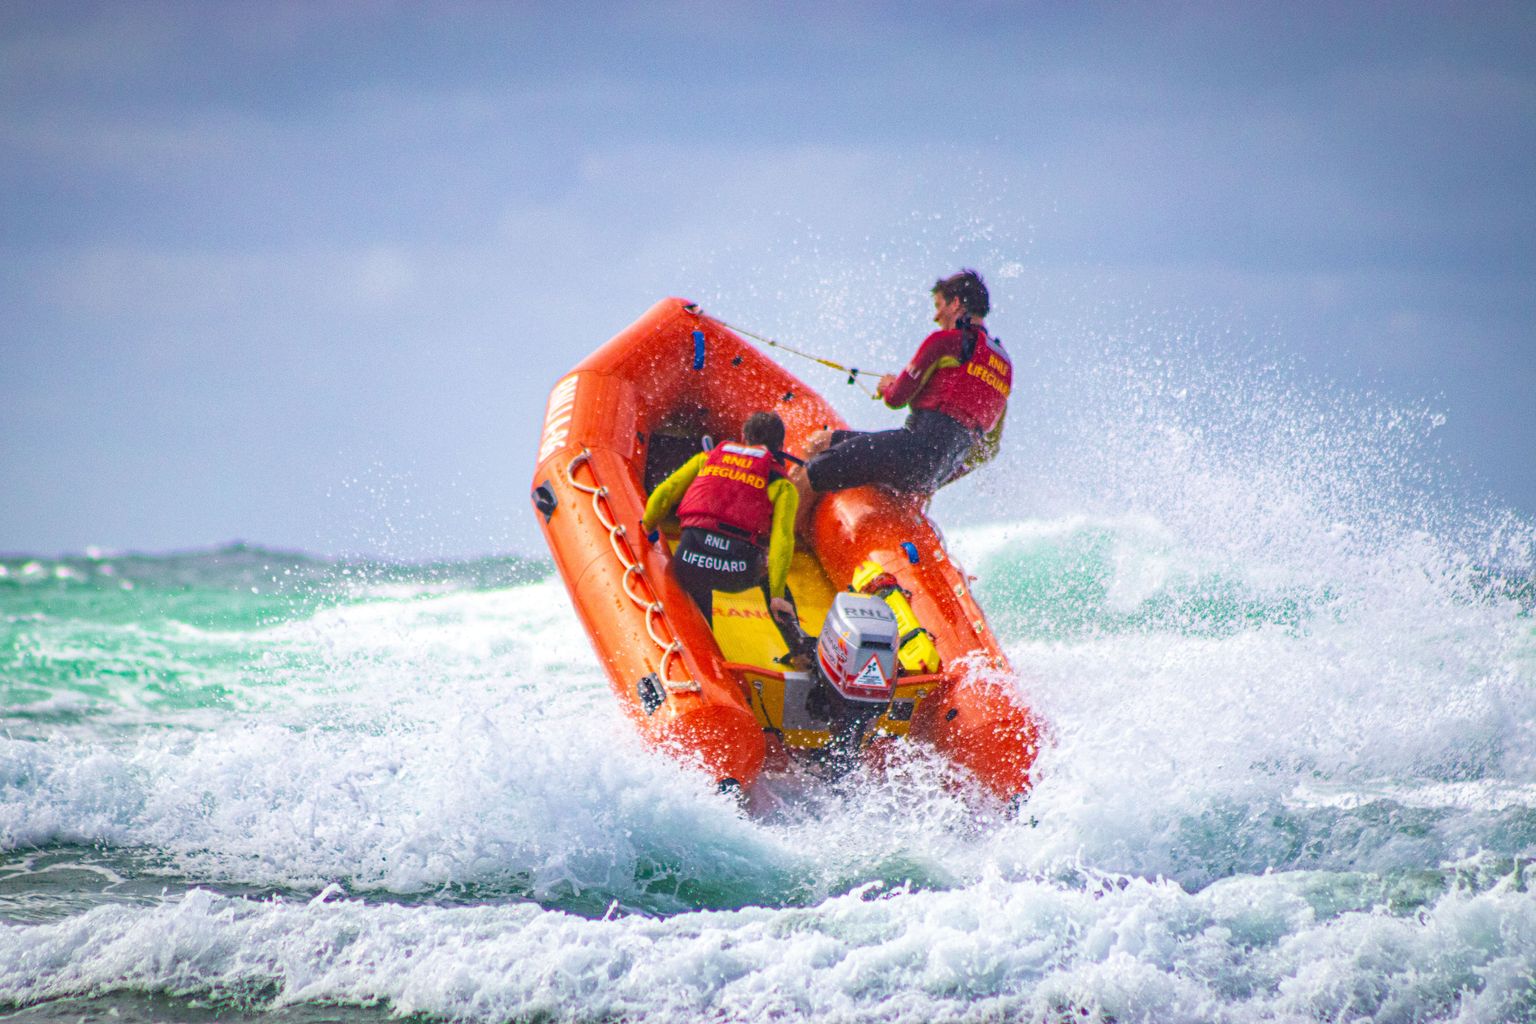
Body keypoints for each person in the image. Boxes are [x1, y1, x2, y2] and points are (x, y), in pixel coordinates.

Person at [803, 269, 1010, 496]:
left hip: (911, 450)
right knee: (828, 443)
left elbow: (895, 398)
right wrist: (934, 481)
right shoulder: (1004, 368)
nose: (936, 316)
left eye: (939, 305)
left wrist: (887, 386)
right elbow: (987, 450)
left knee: (816, 457)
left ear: (956, 304)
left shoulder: (945, 342)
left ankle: (775, 528)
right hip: (935, 472)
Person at [642, 411, 807, 648]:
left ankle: (704, 649)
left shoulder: (706, 459)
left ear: (743, 436)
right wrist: (777, 595)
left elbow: (665, 494)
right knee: (769, 577)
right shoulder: (782, 485)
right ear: (780, 445)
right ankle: (798, 650)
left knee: (698, 581)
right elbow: (783, 539)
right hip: (737, 571)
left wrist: (647, 528)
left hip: (689, 561)